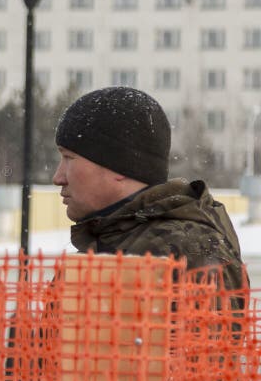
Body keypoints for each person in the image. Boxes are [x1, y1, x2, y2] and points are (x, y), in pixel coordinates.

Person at [52, 86, 247, 293]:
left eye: (69, 158)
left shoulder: (186, 251)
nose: (58, 177)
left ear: (119, 165)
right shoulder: (116, 240)